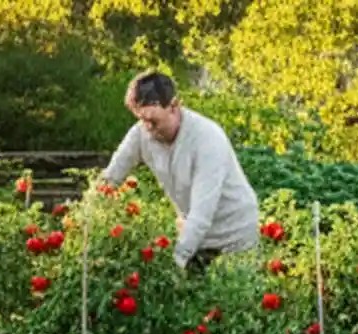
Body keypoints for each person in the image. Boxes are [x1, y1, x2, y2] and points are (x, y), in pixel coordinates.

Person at [101, 71, 260, 272]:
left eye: (154, 121)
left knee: (233, 298)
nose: (148, 128)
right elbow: (110, 177)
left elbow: (202, 213)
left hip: (234, 236)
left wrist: (175, 262)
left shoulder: (207, 139)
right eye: (142, 120)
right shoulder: (141, 133)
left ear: (174, 106)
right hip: (193, 234)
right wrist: (88, 214)